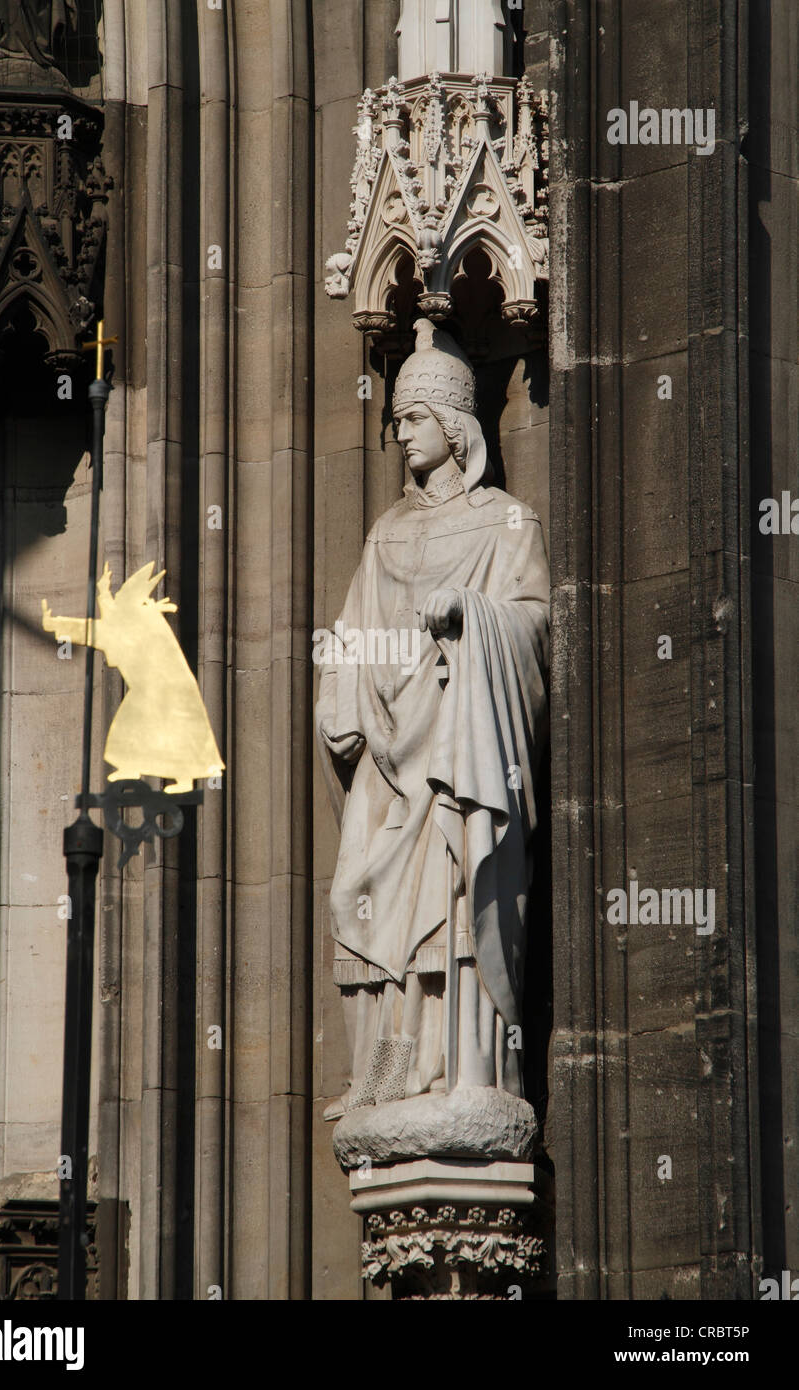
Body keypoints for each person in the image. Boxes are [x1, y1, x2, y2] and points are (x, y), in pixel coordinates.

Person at [317, 319, 549, 1115]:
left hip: (458, 751)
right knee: (358, 893)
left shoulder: (508, 523)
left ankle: (462, 1074)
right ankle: (384, 1075)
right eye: (396, 416)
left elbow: (536, 627)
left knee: (451, 899)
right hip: (387, 761)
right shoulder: (384, 535)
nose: (399, 431)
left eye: (414, 417)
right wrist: (342, 692)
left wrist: (474, 618)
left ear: (456, 427)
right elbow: (350, 637)